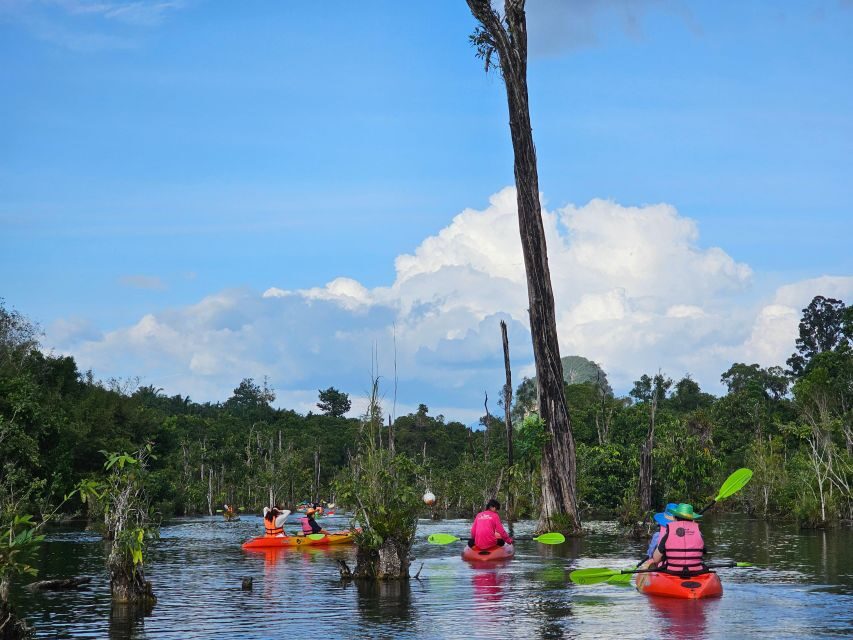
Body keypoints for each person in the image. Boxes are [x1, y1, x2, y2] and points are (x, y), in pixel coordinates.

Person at [650, 503, 707, 576]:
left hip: (673, 571)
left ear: (674, 518)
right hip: (696, 572)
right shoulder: (698, 533)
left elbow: (656, 559)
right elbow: (703, 552)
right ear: (692, 520)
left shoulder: (668, 533)